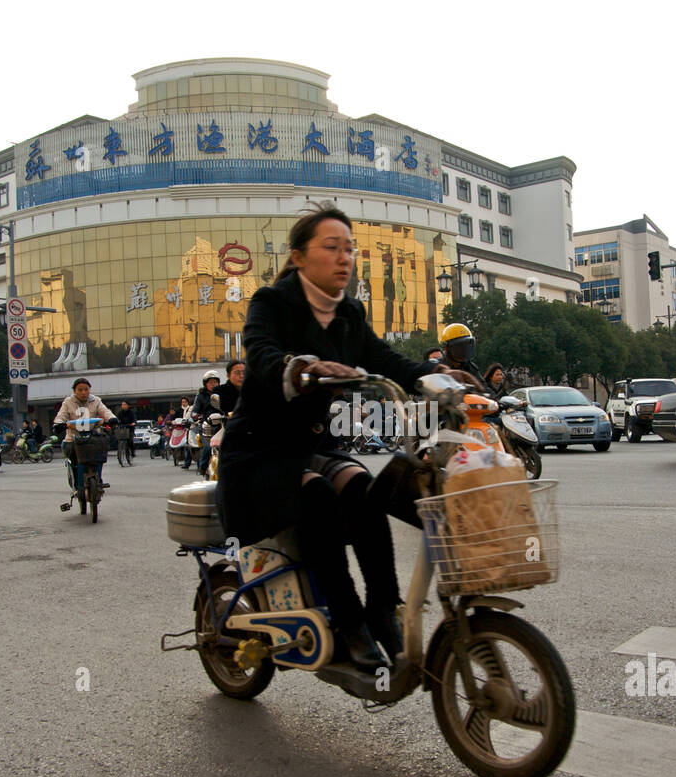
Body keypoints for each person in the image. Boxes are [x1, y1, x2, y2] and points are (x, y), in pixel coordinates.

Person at [216, 202, 476, 670]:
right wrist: (303, 367)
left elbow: (386, 360)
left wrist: (438, 374)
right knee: (317, 495)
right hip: (259, 453)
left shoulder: (350, 313)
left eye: (350, 249)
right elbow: (261, 353)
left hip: (313, 448)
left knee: (364, 489)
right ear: (298, 257)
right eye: (332, 248)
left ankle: (384, 609)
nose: (345, 258)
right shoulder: (270, 303)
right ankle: (347, 620)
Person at [53, 378, 118, 494]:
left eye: (86, 389)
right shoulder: (68, 402)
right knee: (71, 455)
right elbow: (61, 416)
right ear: (74, 391)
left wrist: (111, 419)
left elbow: (105, 411)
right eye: (80, 390)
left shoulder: (96, 400)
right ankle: (76, 485)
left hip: (92, 438)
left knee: (101, 452)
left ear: (89, 390)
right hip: (73, 439)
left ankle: (98, 478)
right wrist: (59, 424)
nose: (83, 392)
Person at [439, 323, 490, 393]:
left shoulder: (470, 366)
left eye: (466, 346)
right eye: (459, 347)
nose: (463, 350)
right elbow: (429, 395)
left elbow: (484, 389)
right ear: (446, 348)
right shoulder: (438, 367)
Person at [192, 371, 222, 476]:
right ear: (205, 384)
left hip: (221, 424)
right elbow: (195, 410)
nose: (213, 384)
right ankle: (202, 468)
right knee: (209, 447)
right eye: (210, 382)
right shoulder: (201, 396)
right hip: (206, 425)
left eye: (215, 382)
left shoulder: (222, 393)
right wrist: (196, 415)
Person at [116, 401, 137, 465]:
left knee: (130, 441)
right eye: (122, 405)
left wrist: (133, 423)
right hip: (122, 428)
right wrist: (116, 424)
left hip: (130, 428)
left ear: (128, 405)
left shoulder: (131, 412)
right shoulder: (120, 413)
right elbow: (117, 419)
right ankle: (120, 453)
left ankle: (132, 452)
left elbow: (134, 419)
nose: (123, 406)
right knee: (119, 440)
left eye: (125, 404)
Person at [177, 397, 195, 469]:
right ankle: (187, 463)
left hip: (199, 427)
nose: (183, 403)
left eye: (185, 401)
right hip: (188, 428)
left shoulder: (193, 408)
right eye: (182, 402)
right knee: (189, 445)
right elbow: (181, 418)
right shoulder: (180, 410)